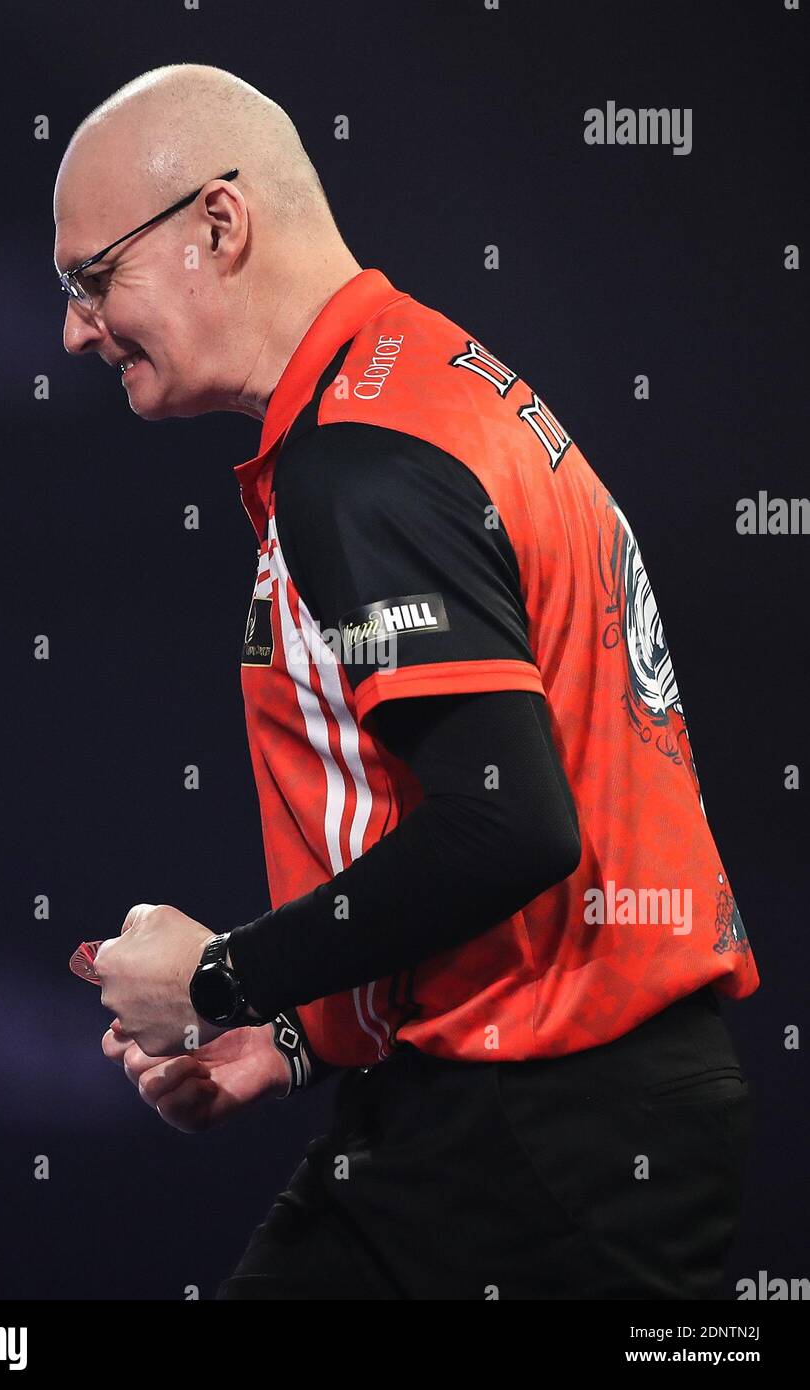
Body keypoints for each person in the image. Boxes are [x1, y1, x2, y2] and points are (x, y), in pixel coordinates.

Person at [53, 63, 760, 1299]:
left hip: (543, 1148)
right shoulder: (411, 387)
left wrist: (219, 979)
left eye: (90, 277)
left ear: (217, 225)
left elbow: (508, 824)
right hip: (528, 1112)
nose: (74, 329)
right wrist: (298, 1032)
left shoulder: (362, 462)